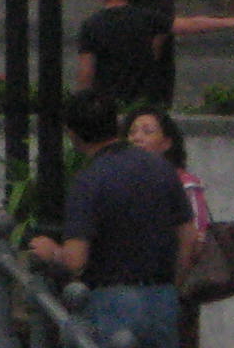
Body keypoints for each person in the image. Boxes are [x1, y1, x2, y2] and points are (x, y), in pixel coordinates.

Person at [28, 89, 198, 348]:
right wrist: (173, 286)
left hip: (110, 302)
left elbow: (75, 260)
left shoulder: (89, 181)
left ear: (72, 133)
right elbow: (188, 236)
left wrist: (51, 252)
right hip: (161, 299)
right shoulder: (161, 169)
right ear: (117, 124)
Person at [128, 109, 215, 348]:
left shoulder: (185, 184)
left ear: (166, 143)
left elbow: (197, 236)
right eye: (132, 131)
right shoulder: (124, 182)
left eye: (147, 131)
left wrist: (175, 284)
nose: (137, 137)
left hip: (173, 286)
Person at [77, 0, 168, 108]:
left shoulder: (92, 25)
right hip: (140, 101)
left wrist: (82, 103)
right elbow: (182, 25)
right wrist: (221, 22)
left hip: (106, 102)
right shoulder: (146, 19)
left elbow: (86, 71)